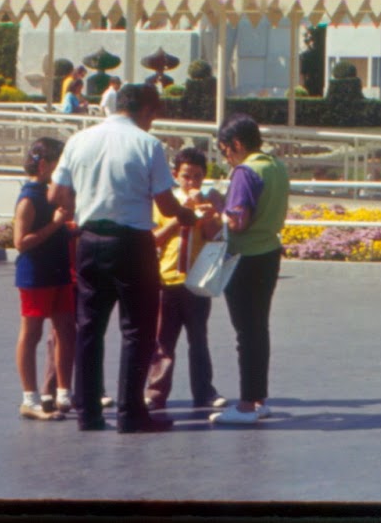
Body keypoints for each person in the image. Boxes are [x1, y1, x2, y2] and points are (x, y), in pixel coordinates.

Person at [48, 83, 201, 433]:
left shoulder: (79, 140)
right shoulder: (147, 144)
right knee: (137, 330)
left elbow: (57, 193)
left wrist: (82, 206)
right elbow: (165, 202)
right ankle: (131, 414)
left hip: (89, 240)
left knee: (89, 327)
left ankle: (88, 413)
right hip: (132, 243)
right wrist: (185, 216)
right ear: (146, 110)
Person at [211, 113, 291, 427]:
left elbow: (238, 221)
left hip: (245, 257)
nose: (226, 158)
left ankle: (246, 405)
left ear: (237, 144)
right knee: (259, 329)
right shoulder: (275, 167)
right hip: (269, 252)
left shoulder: (245, 172)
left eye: (225, 150)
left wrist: (218, 205)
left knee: (245, 332)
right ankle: (259, 399)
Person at [144, 146, 226, 410]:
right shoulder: (164, 202)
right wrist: (180, 215)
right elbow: (154, 238)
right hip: (167, 280)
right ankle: (156, 392)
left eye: (198, 177)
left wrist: (210, 214)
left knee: (199, 339)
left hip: (196, 281)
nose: (192, 182)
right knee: (163, 341)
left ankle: (204, 392)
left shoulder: (206, 203)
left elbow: (216, 237)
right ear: (175, 175)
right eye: (187, 176)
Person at [13, 137, 75, 421]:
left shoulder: (52, 194)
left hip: (58, 269)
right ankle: (30, 397)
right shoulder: (28, 198)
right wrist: (56, 224)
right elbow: (21, 242)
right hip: (36, 274)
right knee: (33, 332)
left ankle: (63, 392)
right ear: (43, 165)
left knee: (65, 329)